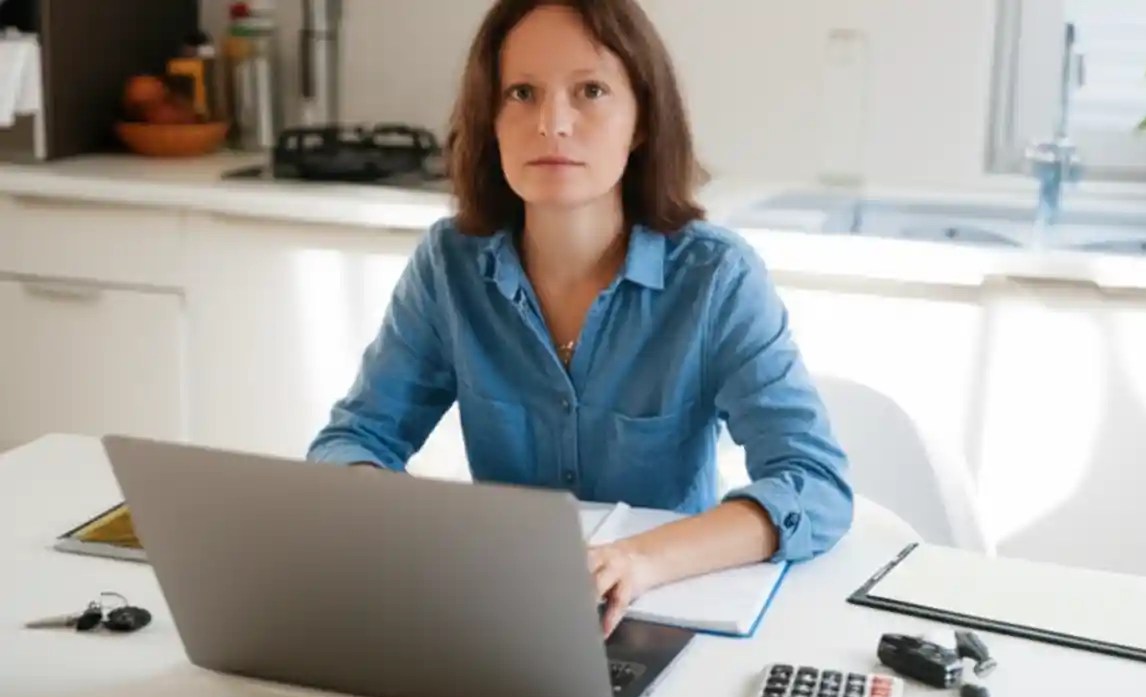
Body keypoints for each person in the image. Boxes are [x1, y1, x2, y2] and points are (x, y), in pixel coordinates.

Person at [306, 0, 853, 636]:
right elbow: (350, 442)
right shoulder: (448, 265)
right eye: (522, 93)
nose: (552, 123)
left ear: (641, 121)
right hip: (500, 613)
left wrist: (640, 560)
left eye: (590, 90)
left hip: (666, 607)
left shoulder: (717, 278)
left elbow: (812, 485)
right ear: (491, 121)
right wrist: (419, 525)